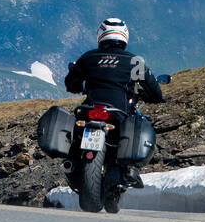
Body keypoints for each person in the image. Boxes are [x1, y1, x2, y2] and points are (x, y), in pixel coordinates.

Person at [64, 17, 164, 186]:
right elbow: (153, 89)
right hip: (119, 112)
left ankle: (72, 161)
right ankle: (128, 169)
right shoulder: (134, 61)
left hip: (91, 108)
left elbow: (71, 84)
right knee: (135, 123)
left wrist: (79, 83)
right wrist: (155, 97)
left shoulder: (88, 58)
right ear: (124, 35)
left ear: (101, 35)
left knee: (76, 130)